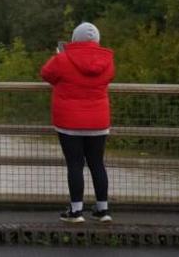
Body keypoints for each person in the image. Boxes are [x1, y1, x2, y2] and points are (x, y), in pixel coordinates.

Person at [41, 22, 115, 223]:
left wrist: (58, 56)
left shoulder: (63, 58)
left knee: (75, 164)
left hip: (69, 121)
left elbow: (46, 74)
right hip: (99, 121)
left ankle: (76, 211)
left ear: (74, 39)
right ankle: (103, 209)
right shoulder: (107, 60)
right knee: (97, 163)